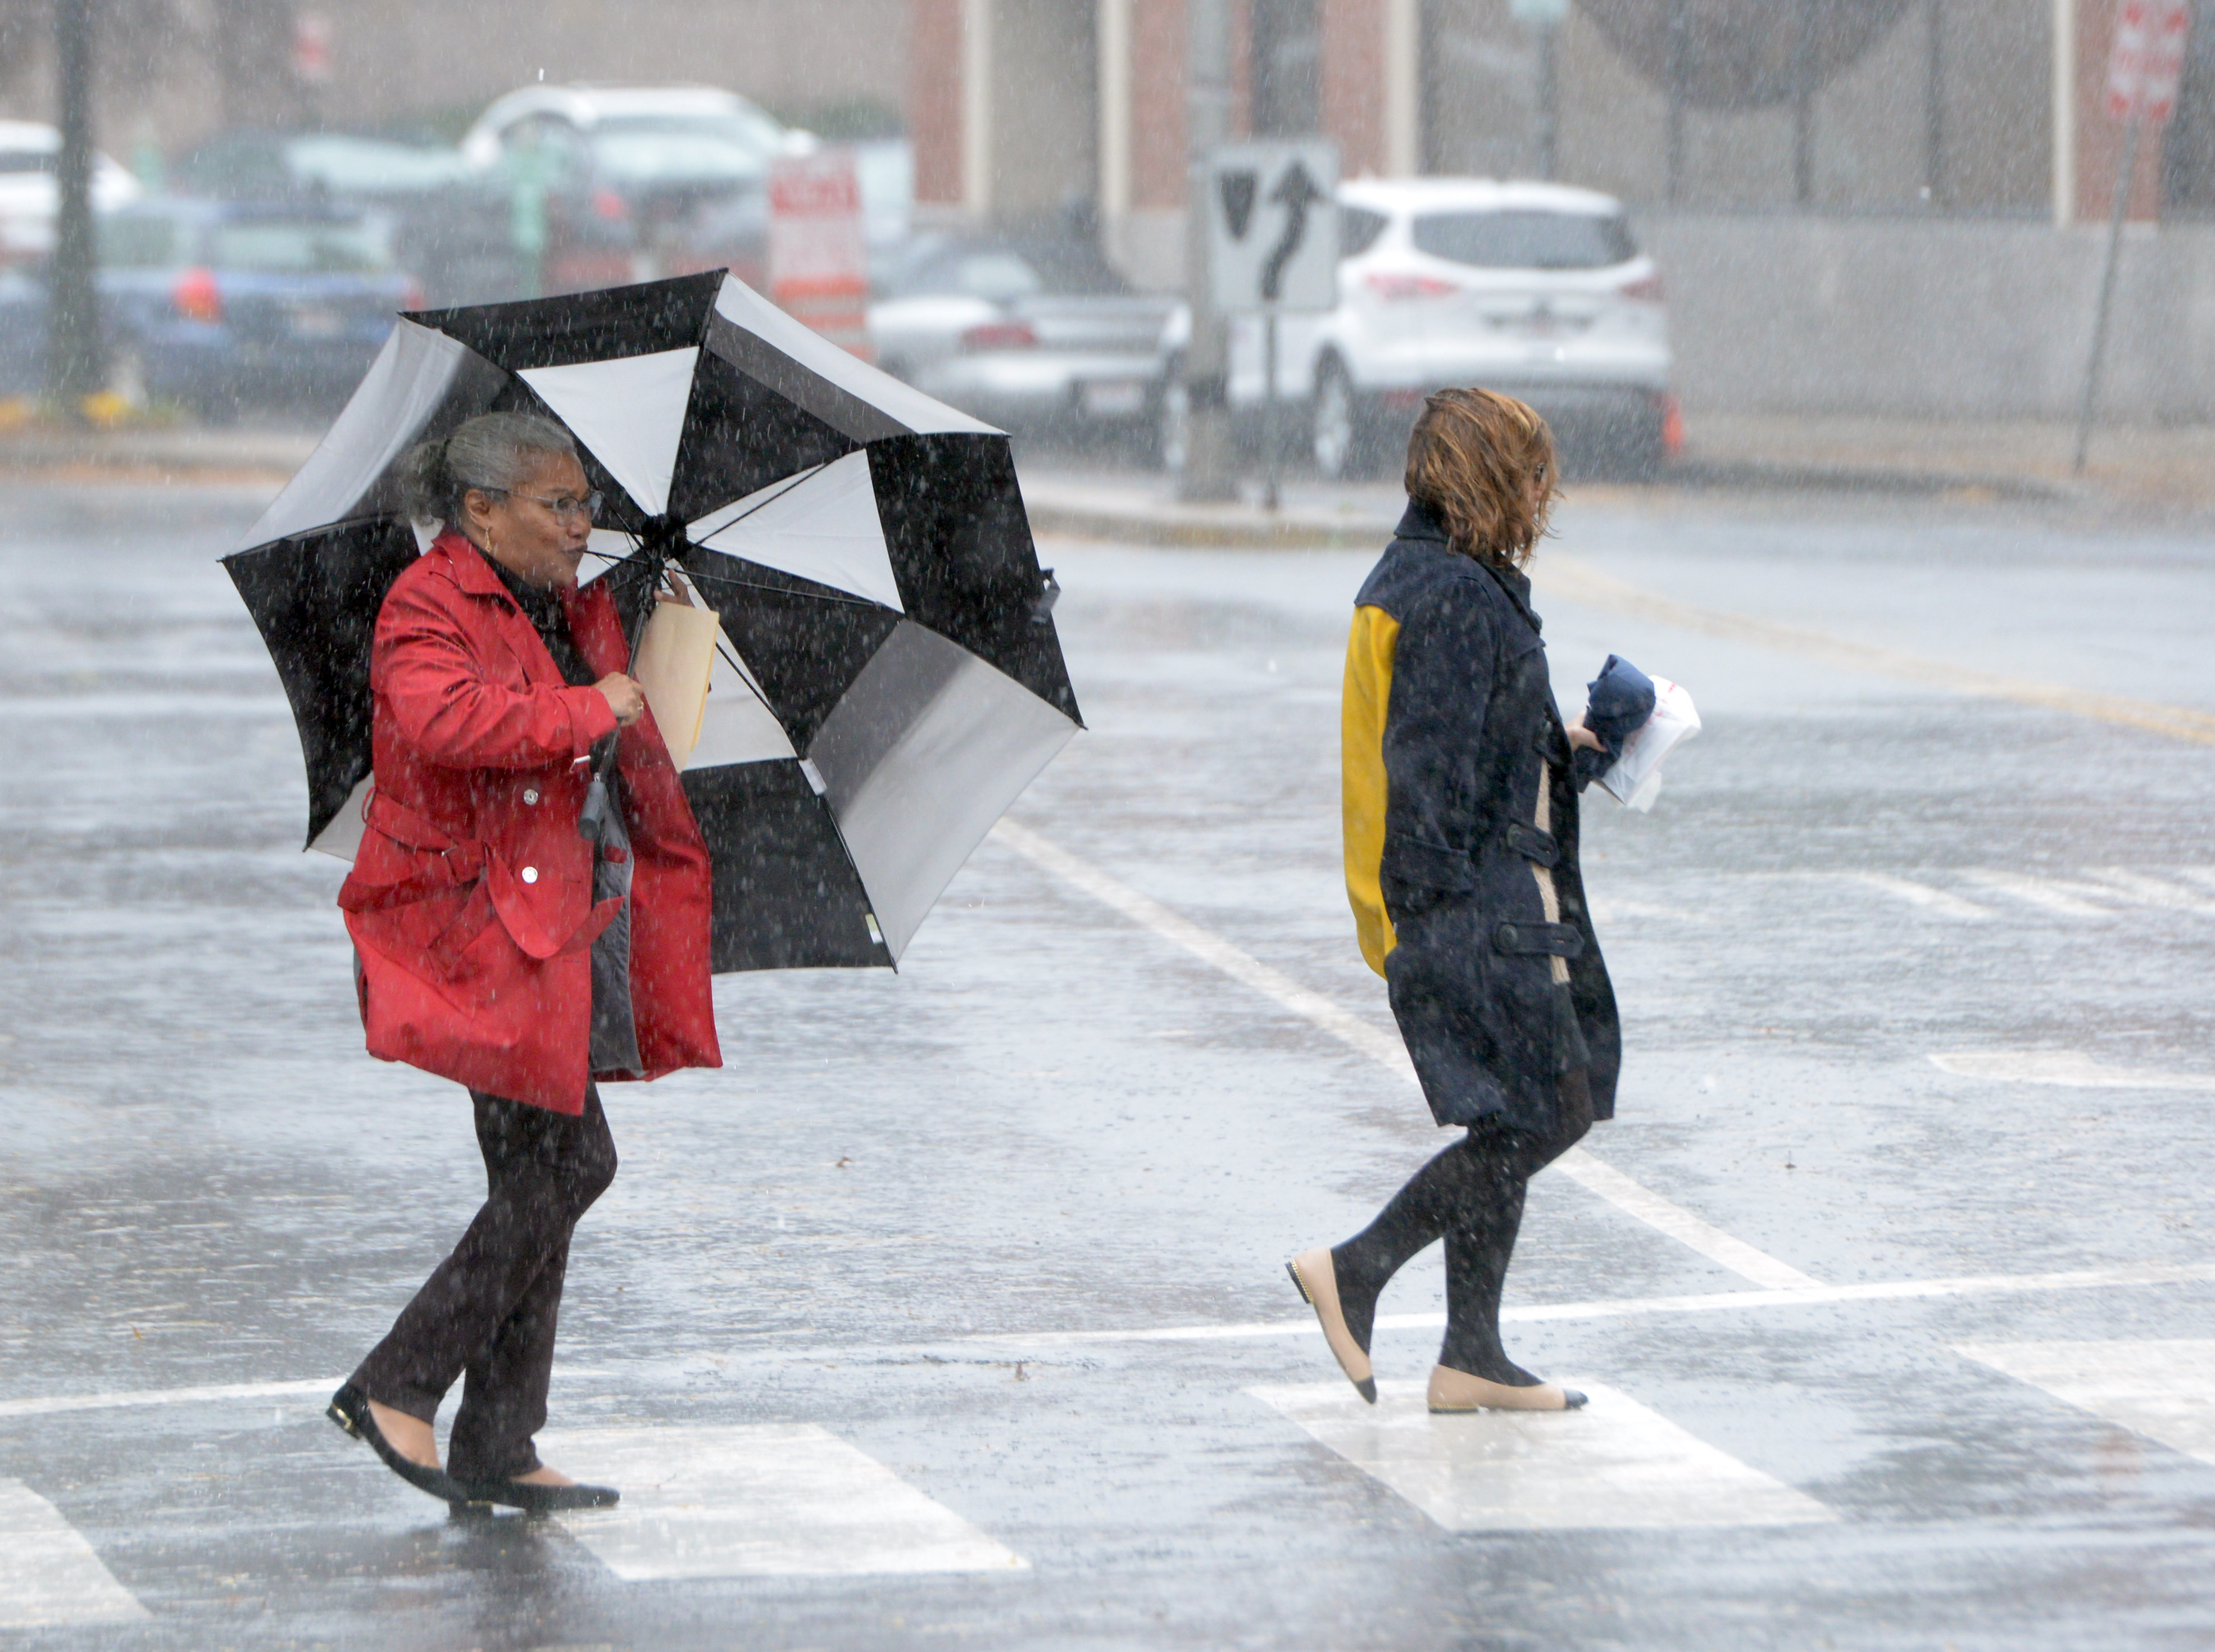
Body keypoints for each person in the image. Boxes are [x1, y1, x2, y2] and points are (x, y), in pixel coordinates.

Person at [325, 412, 721, 1509]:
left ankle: (500, 1438)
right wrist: (586, 705)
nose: (584, 525)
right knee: (567, 1164)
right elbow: (448, 721)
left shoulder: (563, 605)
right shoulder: (428, 605)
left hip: (546, 918)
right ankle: (398, 1382)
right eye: (561, 505)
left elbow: (601, 729)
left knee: (538, 1170)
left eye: (587, 503)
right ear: (481, 511)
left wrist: (654, 649)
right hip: (467, 926)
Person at [1288, 388, 1622, 1414]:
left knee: (1512, 1110)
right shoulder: (1451, 597)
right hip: (1468, 907)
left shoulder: (1437, 579)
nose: (1541, 496)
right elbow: (1425, 773)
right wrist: (1446, 928)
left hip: (1469, 897)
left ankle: (1470, 1354)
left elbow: (1452, 744)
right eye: (1529, 475)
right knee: (1549, 1107)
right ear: (1482, 476)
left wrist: (1555, 746)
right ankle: (1354, 1269)